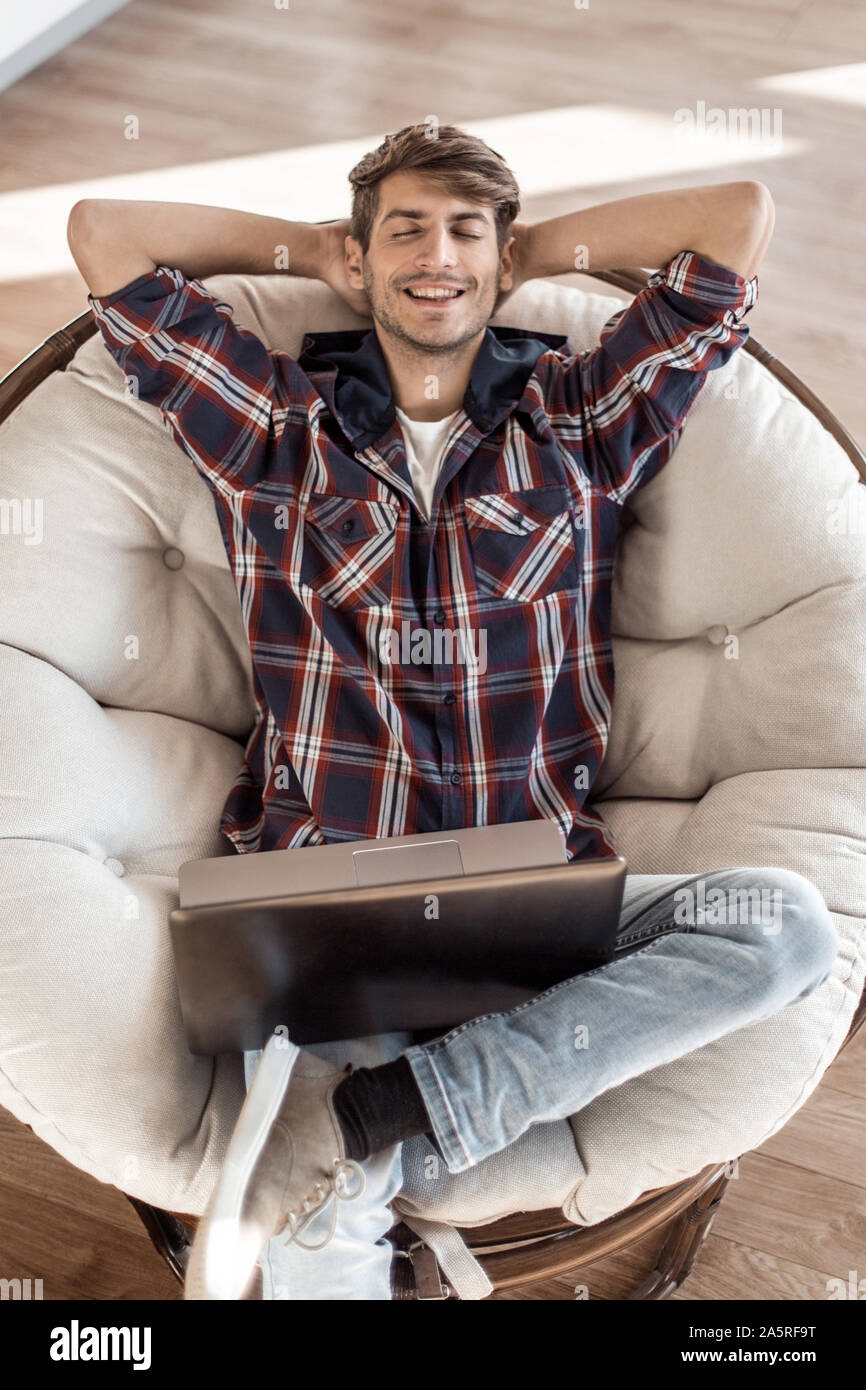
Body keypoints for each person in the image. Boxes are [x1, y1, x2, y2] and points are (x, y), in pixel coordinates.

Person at [67, 123, 838, 1302]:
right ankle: (382, 1137)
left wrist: (531, 254)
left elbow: (732, 221)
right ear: (359, 255)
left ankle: (395, 1120)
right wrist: (311, 252)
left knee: (783, 926)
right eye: (404, 231)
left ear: (501, 252)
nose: (437, 254)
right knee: (337, 1231)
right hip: (338, 905)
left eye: (464, 231)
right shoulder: (276, 434)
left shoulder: (576, 425)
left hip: (532, 902)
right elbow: (103, 237)